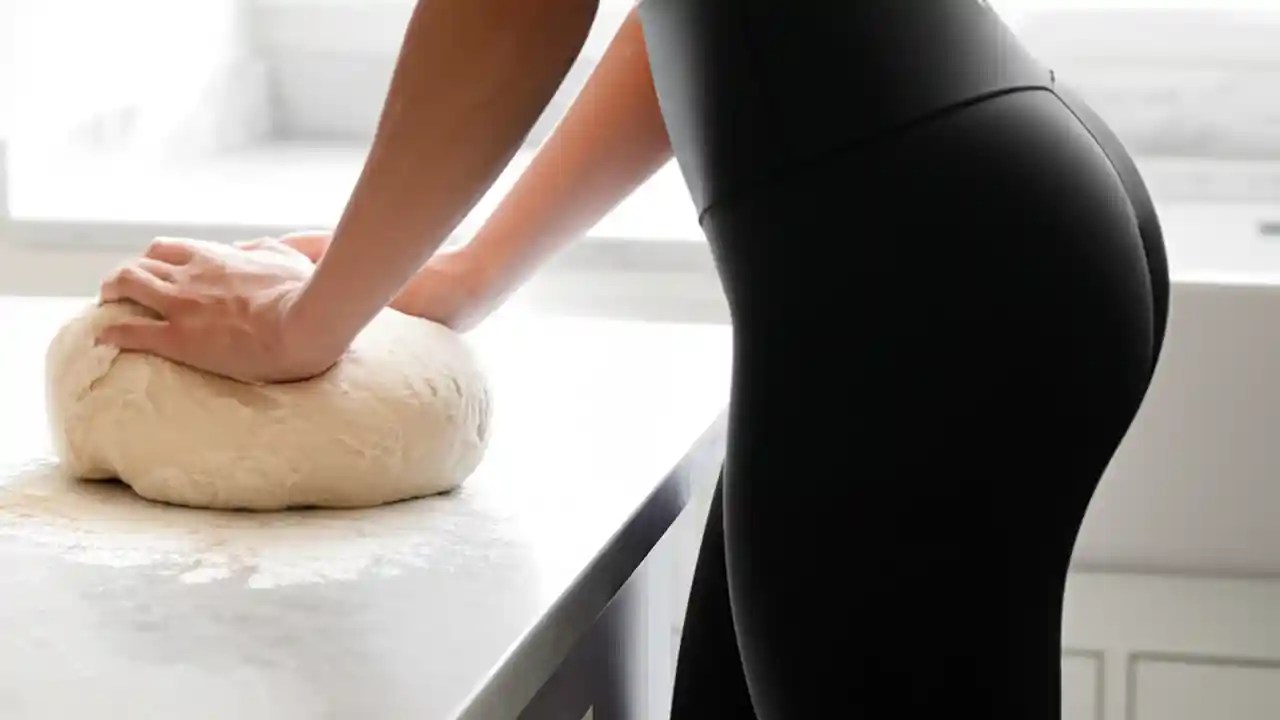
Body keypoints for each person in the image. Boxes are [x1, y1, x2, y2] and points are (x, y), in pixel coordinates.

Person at [96, 1, 1170, 717]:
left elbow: (512, 10)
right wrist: (467, 272)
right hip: (978, 203)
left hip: (922, 272)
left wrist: (307, 325)